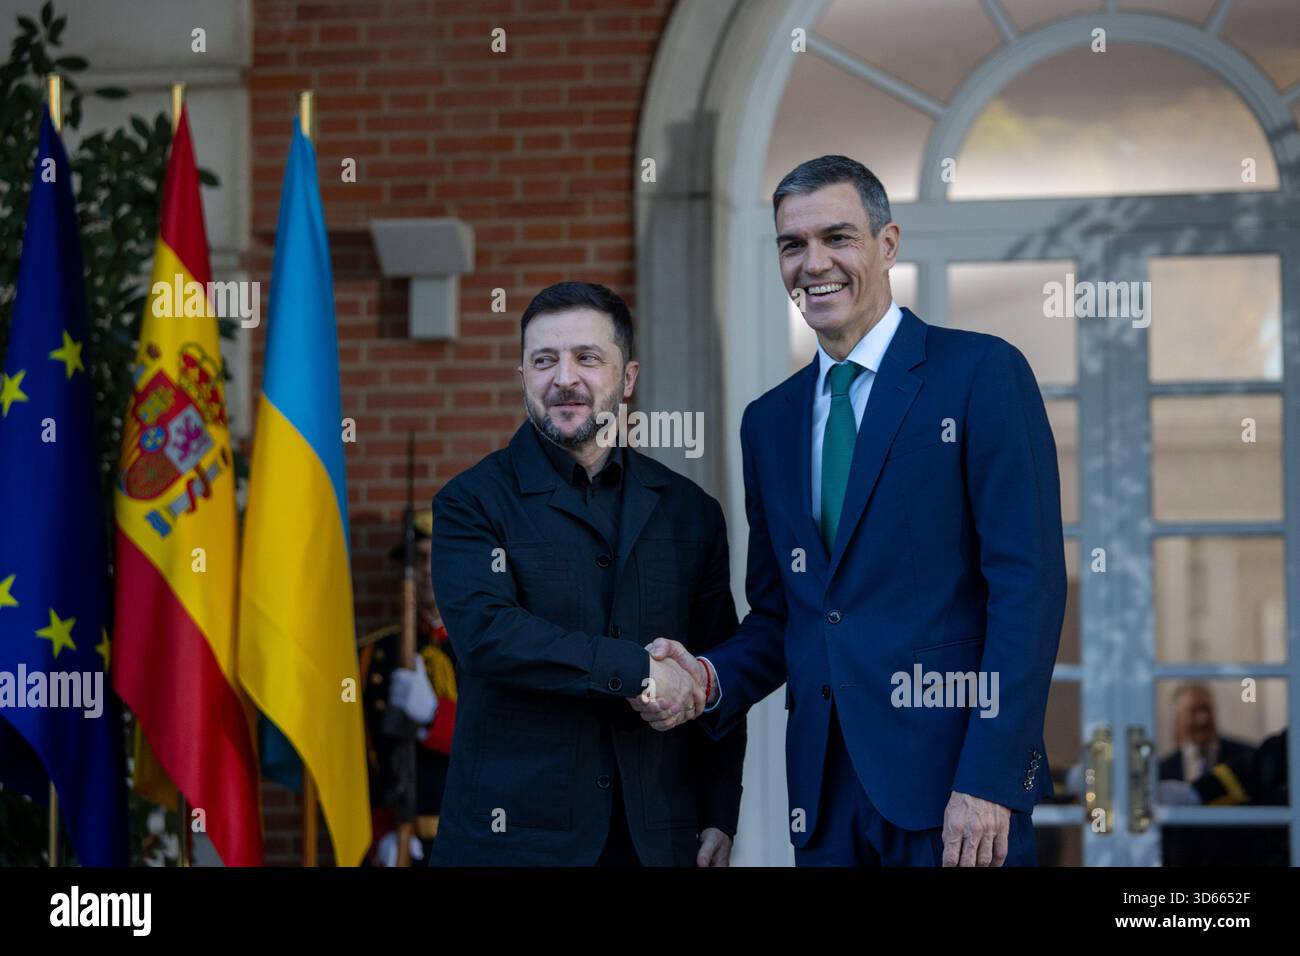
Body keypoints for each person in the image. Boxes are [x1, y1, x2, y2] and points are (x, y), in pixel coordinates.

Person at [633, 155, 1066, 867]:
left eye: (838, 237)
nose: (814, 263)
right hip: (826, 801)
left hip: (956, 799)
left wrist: (992, 778)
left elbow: (1029, 590)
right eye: (792, 244)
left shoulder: (980, 374)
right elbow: (784, 614)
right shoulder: (768, 423)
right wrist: (708, 678)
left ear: (888, 244)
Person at [428, 281, 746, 866]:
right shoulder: (470, 503)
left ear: (627, 380)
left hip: (660, 840)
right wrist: (639, 672)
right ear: (523, 376)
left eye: (587, 358)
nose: (564, 378)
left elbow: (716, 664)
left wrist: (719, 811)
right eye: (543, 360)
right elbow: (490, 638)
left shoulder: (690, 511)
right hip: (515, 844)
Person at [360, 509, 458, 866]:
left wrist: (435, 716)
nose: (428, 571)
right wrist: (379, 831)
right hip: (400, 843)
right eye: (419, 559)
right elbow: (362, 755)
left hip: (476, 841)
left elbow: (502, 740)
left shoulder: (486, 648)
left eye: (439, 558)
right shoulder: (374, 654)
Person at [1157, 683, 1257, 866]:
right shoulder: (1162, 770)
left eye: (1207, 709)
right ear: (1178, 718)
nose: (1203, 718)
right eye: (1194, 711)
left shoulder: (1247, 758)